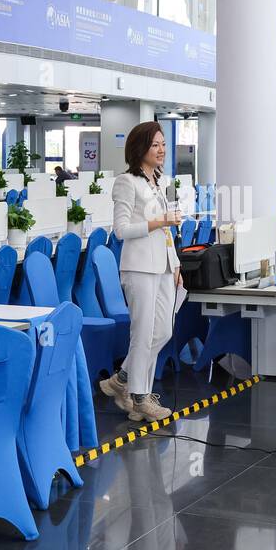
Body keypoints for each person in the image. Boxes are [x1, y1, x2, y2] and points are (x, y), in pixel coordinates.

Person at [99, 122, 182, 423]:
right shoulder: (127, 182)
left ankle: (121, 380)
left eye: (163, 144)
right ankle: (141, 398)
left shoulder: (158, 181)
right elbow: (121, 230)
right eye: (155, 144)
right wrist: (159, 221)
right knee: (143, 333)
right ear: (139, 148)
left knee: (163, 330)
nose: (161, 150)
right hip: (139, 267)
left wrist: (175, 263)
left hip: (163, 265)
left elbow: (169, 230)